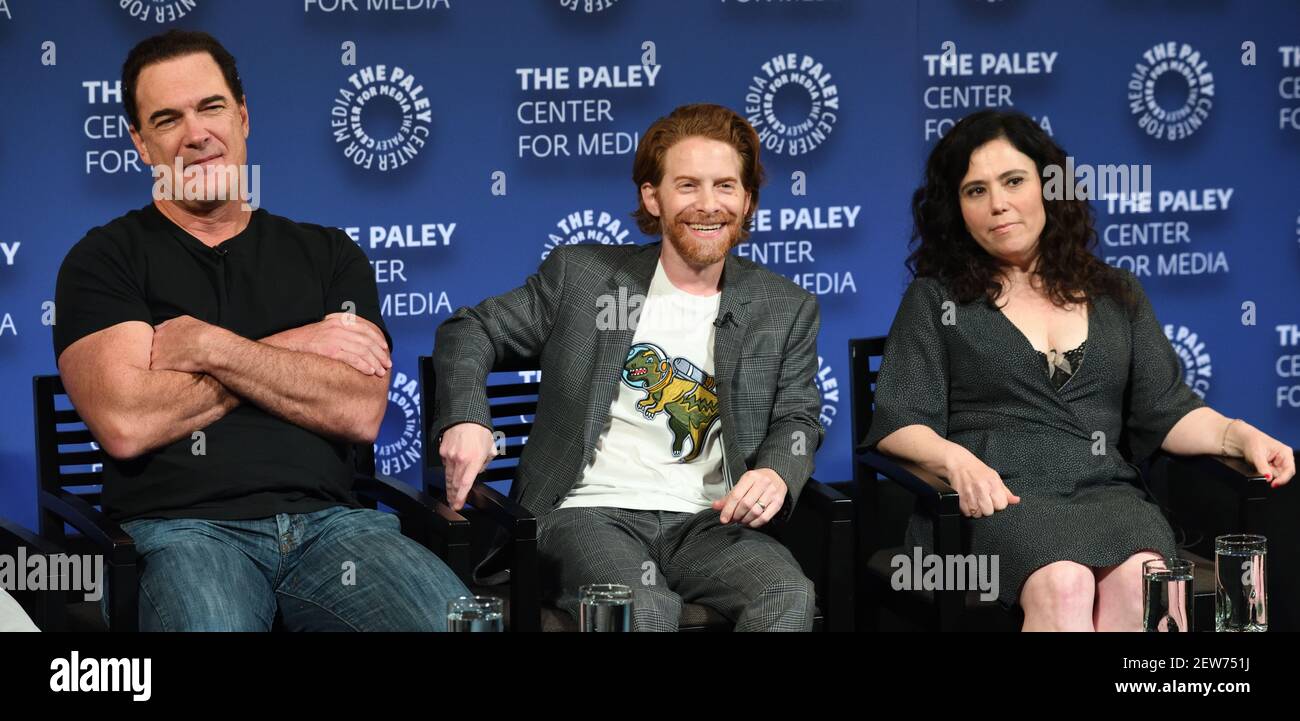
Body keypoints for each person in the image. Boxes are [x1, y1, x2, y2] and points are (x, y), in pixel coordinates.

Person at [53, 30, 467, 631]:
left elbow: (357, 408)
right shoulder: (104, 261)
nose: (196, 134)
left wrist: (205, 345)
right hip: (184, 532)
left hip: (335, 528)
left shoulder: (328, 254)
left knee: (454, 624)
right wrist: (297, 345)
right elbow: (127, 422)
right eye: (167, 119)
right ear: (141, 144)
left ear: (243, 116)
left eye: (211, 107)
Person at [863, 110, 1294, 631]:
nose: (997, 203)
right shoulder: (936, 299)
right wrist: (955, 461)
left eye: (1013, 181)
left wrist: (1237, 435)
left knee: (1147, 582)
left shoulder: (1116, 293)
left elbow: (1167, 410)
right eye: (975, 190)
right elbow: (899, 422)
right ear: (956, 208)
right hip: (1002, 500)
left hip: (1106, 493)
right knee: (1062, 581)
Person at [434, 103, 823, 631]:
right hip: (588, 513)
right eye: (688, 185)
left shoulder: (785, 306)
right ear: (652, 197)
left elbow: (798, 415)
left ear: (748, 199)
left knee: (787, 594)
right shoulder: (584, 276)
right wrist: (467, 418)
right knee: (640, 608)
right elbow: (470, 329)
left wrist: (778, 470)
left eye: (726, 186)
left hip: (709, 523)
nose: (709, 205)